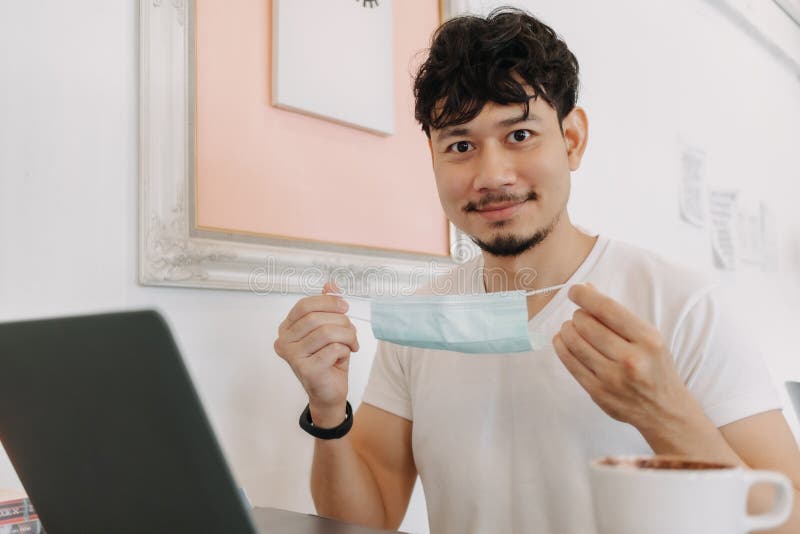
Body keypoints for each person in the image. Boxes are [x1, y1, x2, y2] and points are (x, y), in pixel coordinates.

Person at [273, 7, 800, 533]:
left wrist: (662, 412)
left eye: (519, 135)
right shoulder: (423, 322)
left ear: (572, 140)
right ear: (432, 157)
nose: (492, 174)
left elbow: (790, 518)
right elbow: (368, 517)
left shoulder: (682, 306)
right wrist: (327, 409)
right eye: (460, 145)